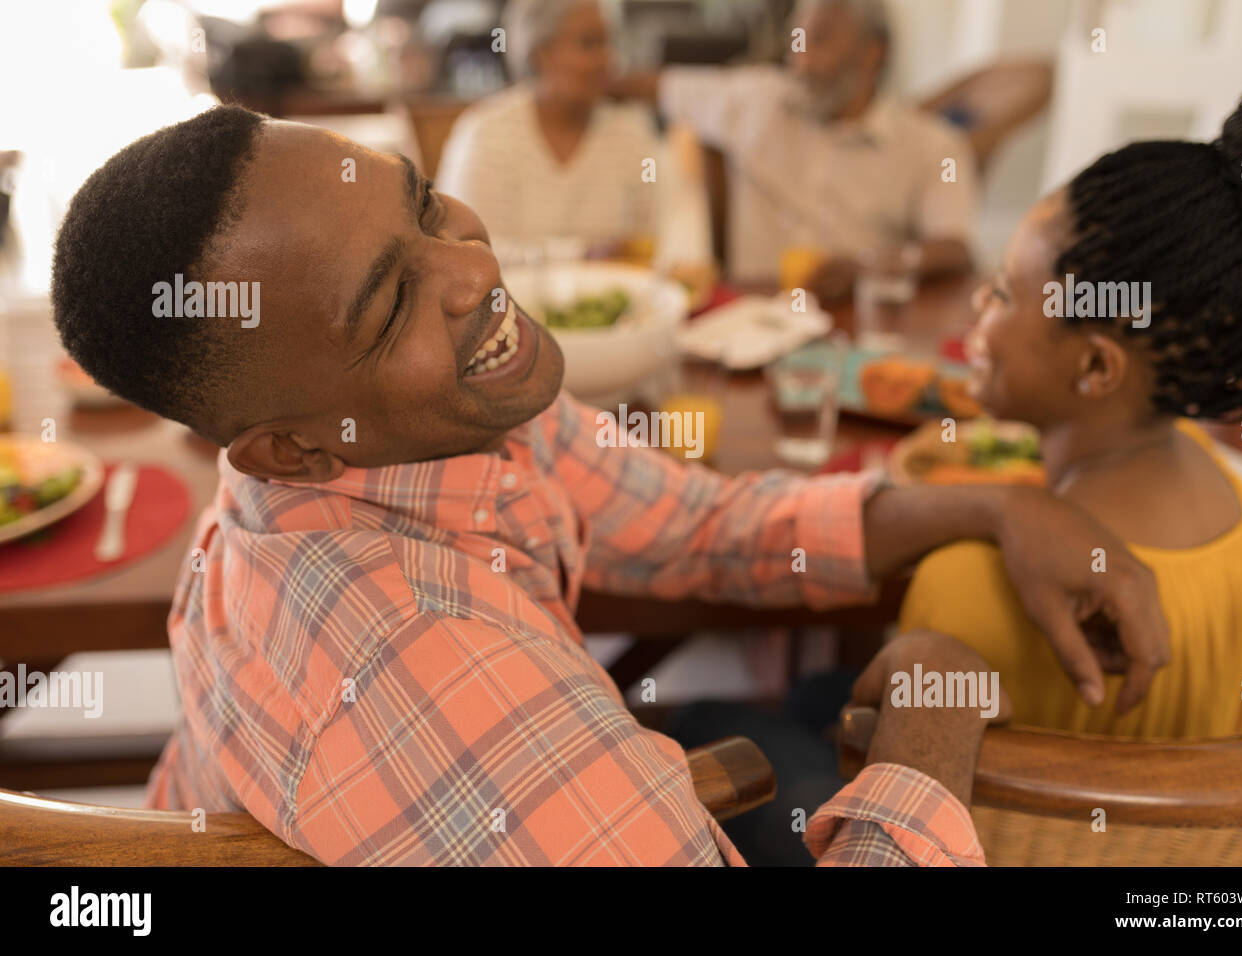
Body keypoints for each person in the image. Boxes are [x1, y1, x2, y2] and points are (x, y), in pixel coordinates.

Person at [50, 105, 1167, 865]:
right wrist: (932, 715)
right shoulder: (428, 674)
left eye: (426, 204)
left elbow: (699, 524)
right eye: (389, 303)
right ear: (287, 451)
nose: (478, 267)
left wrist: (992, 502)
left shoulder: (434, 428)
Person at [899, 83, 1242, 738]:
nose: (978, 305)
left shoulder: (966, 588)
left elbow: (895, 788)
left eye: (1004, 292)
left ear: (1095, 368)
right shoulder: (1232, 510)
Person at [609, 0, 976, 298]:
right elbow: (648, 86)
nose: (801, 61)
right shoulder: (756, 98)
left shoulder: (932, 146)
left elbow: (954, 248)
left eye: (820, 40)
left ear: (872, 53)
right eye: (796, 40)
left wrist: (869, 266)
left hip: (855, 320)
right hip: (754, 317)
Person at [435, 0, 713, 281]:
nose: (607, 60)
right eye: (589, 43)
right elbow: (469, 255)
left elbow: (645, 246)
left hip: (611, 303)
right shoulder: (485, 134)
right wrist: (582, 254)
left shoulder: (632, 133)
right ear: (541, 54)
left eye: (608, 43)